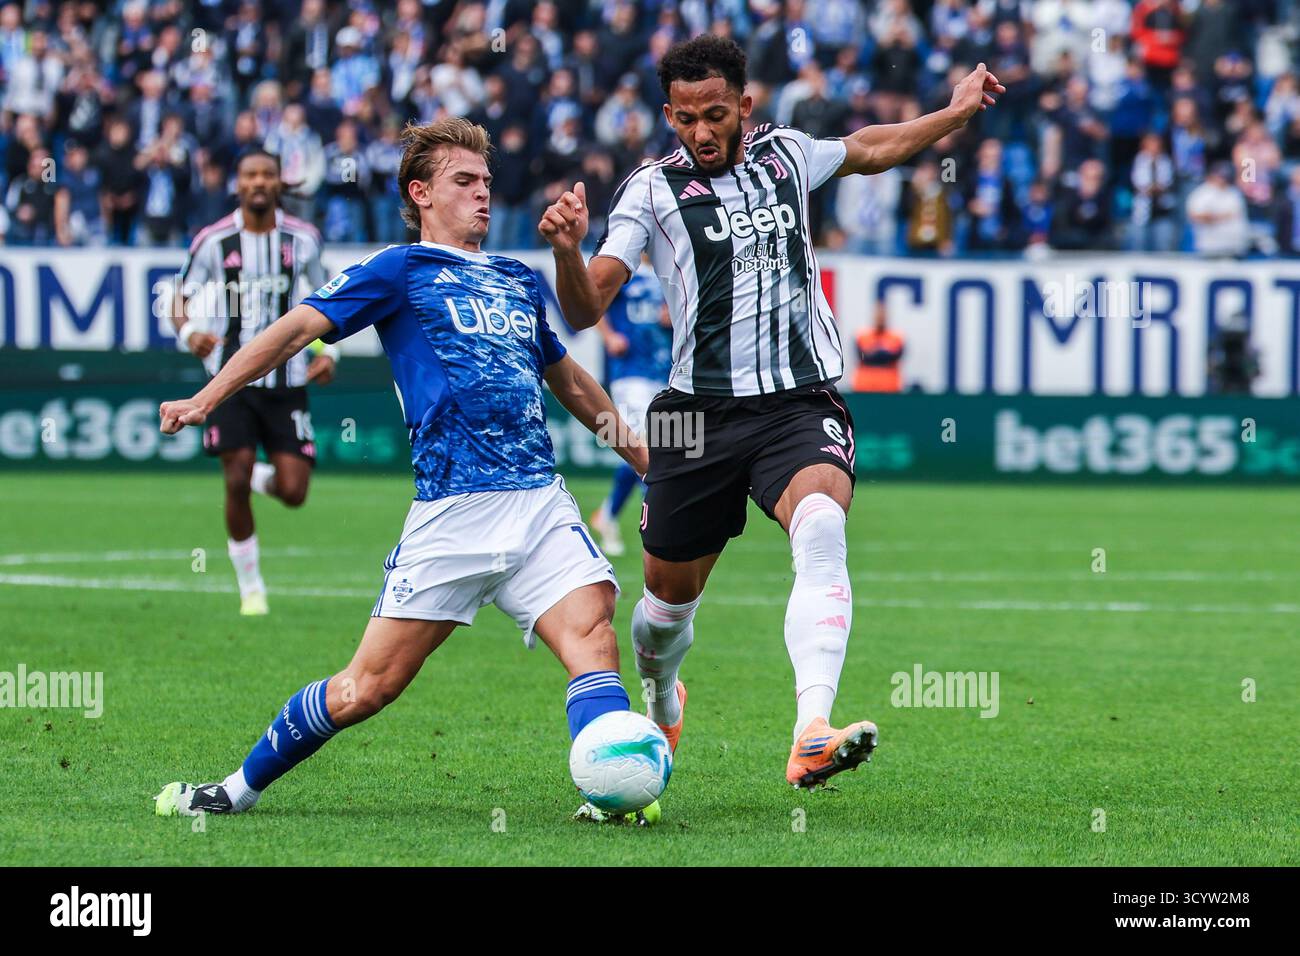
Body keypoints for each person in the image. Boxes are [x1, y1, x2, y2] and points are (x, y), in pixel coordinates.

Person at [539, 35, 1003, 789]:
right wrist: (565, 249)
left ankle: (811, 729)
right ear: (669, 114)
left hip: (798, 402)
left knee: (821, 525)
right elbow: (587, 307)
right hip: (696, 415)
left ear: (744, 107)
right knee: (663, 610)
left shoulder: (786, 155)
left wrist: (949, 116)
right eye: (685, 118)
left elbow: (870, 148)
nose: (701, 132)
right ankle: (662, 702)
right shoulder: (652, 191)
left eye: (715, 114)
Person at [153, 118, 649, 822]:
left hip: (539, 502)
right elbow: (296, 329)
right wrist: (208, 396)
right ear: (421, 194)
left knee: (594, 634)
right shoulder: (398, 270)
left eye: (486, 182)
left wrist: (647, 459)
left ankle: (613, 792)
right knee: (364, 689)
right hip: (453, 510)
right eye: (463, 182)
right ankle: (236, 788)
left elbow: (570, 384)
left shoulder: (517, 280)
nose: (483, 195)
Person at [170, 149, 334, 616]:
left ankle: (255, 473)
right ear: (237, 184)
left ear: (280, 182)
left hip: (289, 379)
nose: (258, 182)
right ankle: (251, 588)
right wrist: (188, 332)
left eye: (266, 174)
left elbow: (330, 303)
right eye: (249, 175)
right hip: (229, 381)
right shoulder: (213, 240)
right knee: (235, 475)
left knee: (294, 491)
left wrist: (331, 354)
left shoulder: (304, 239)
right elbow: (178, 298)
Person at [589, 253, 672, 557]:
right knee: (644, 448)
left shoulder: (672, 271)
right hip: (631, 373)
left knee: (672, 452)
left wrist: (677, 317)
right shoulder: (624, 270)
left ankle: (608, 514)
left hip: (671, 372)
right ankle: (661, 525)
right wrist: (609, 336)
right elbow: (593, 303)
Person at [853, 301, 905, 393]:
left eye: (882, 314)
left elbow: (894, 357)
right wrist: (883, 353)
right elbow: (862, 357)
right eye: (878, 314)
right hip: (864, 387)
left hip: (890, 387)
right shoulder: (862, 336)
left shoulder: (896, 338)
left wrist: (874, 352)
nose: (880, 317)